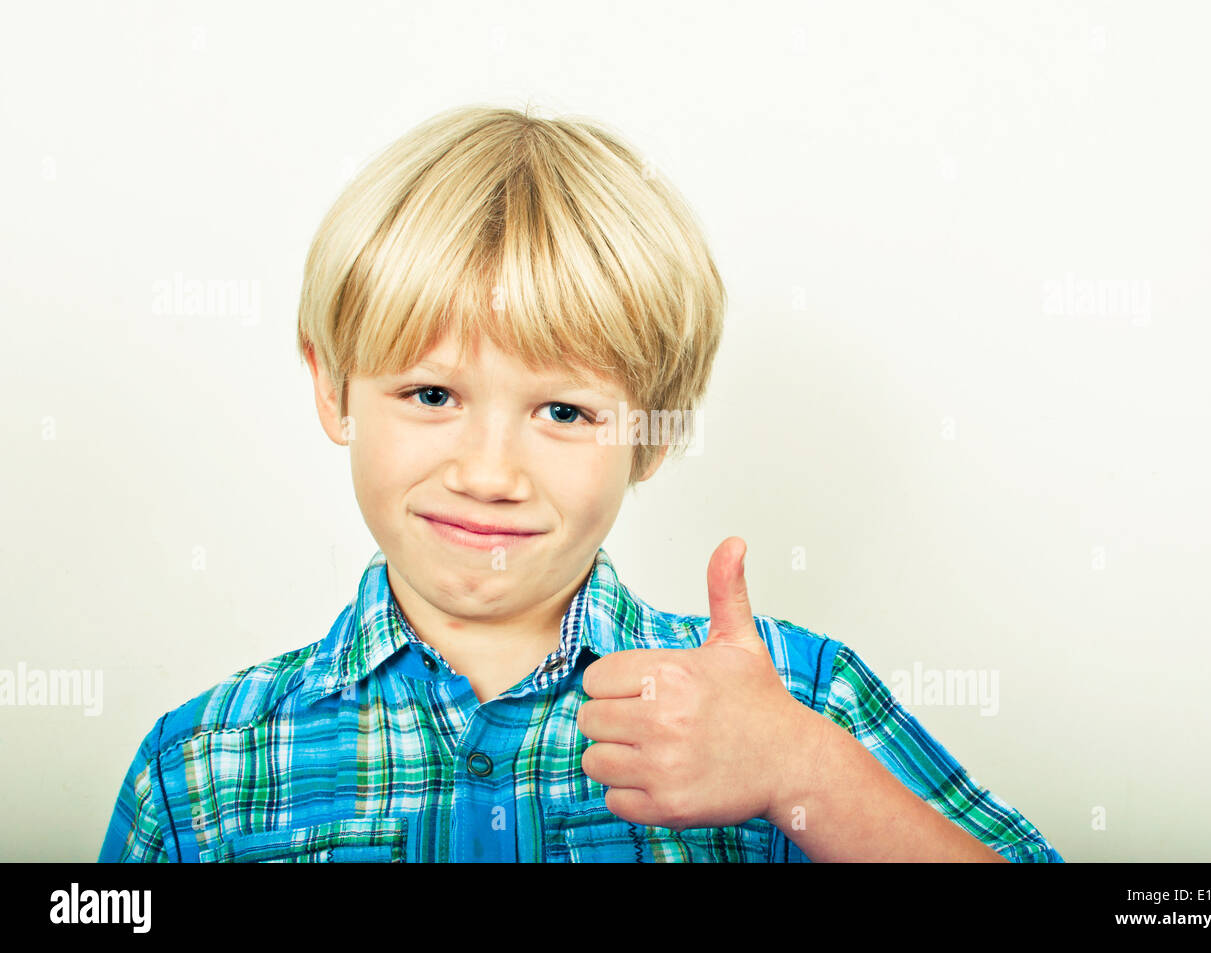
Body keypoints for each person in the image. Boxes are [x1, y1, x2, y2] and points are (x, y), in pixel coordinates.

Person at [98, 104, 1062, 862]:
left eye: (563, 412)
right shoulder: (200, 771)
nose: (487, 474)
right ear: (330, 385)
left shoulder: (795, 703)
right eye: (431, 392)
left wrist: (805, 770)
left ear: (652, 433)